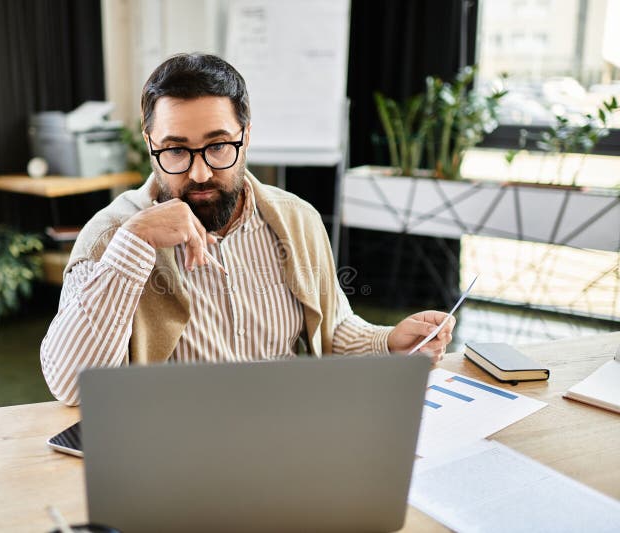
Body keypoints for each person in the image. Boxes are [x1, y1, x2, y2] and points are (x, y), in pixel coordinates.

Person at [41, 53, 455, 405]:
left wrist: (389, 341)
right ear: (151, 144)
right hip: (173, 447)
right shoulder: (109, 235)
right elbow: (71, 387)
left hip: (282, 433)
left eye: (218, 145)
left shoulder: (296, 220)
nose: (199, 172)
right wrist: (133, 244)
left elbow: (332, 329)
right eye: (176, 149)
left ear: (246, 136)